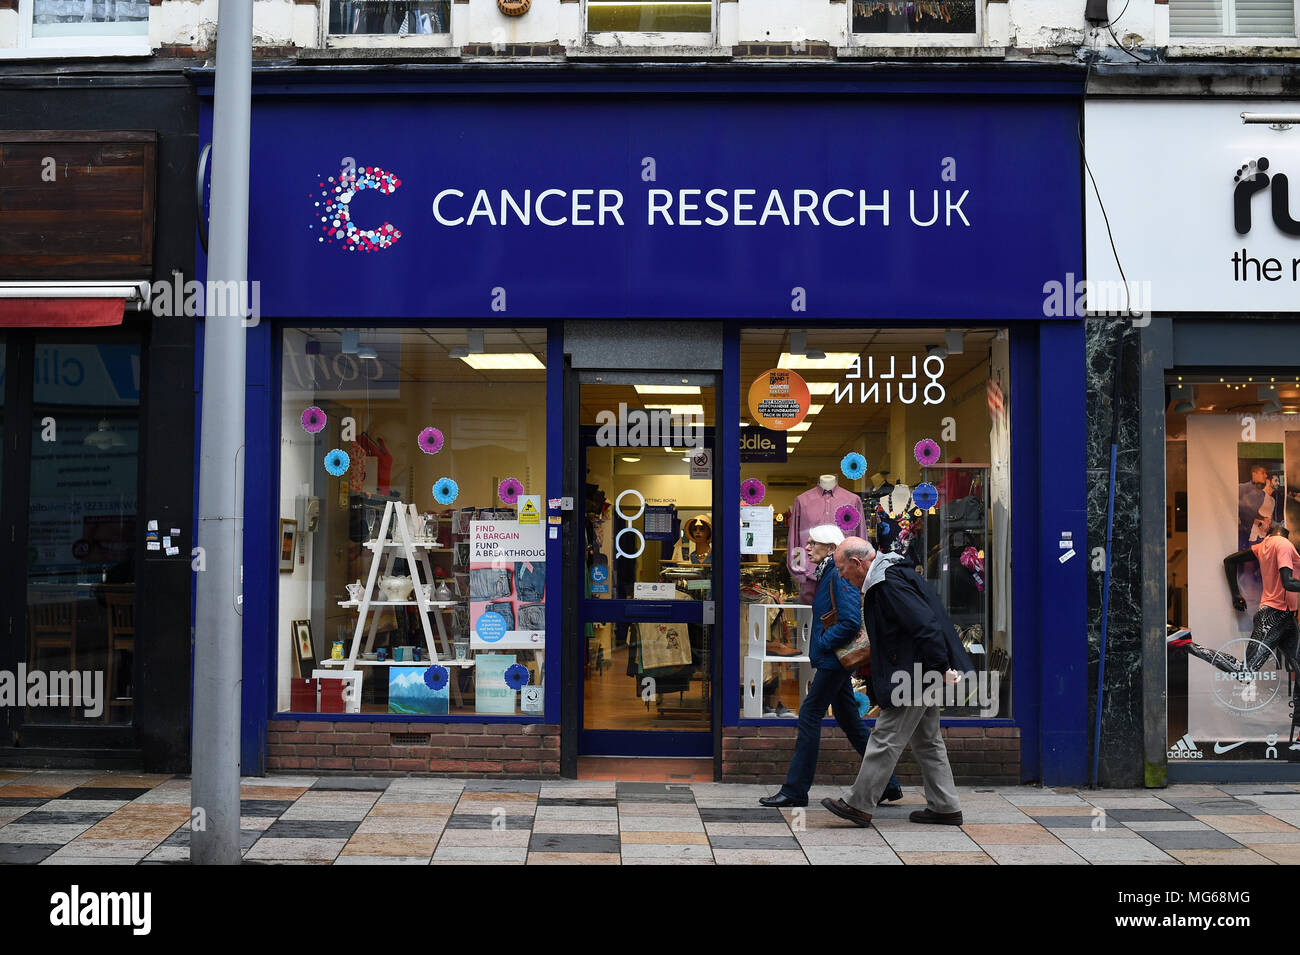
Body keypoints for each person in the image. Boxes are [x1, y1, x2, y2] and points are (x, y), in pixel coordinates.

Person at [820, 535, 972, 828]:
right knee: (927, 740)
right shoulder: (891, 575)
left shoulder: (887, 583)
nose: (841, 576)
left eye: (841, 569)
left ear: (857, 563)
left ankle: (858, 804)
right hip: (921, 669)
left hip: (914, 673)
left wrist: (940, 667)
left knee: (885, 737)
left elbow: (924, 624)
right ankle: (945, 807)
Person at [759, 525, 902, 808]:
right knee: (850, 720)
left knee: (810, 715)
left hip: (834, 661)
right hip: (833, 660)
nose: (808, 547)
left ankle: (796, 790)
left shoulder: (836, 574)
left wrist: (823, 643)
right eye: (809, 542)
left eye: (814, 543)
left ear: (830, 547)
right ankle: (889, 783)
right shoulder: (827, 573)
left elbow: (849, 621)